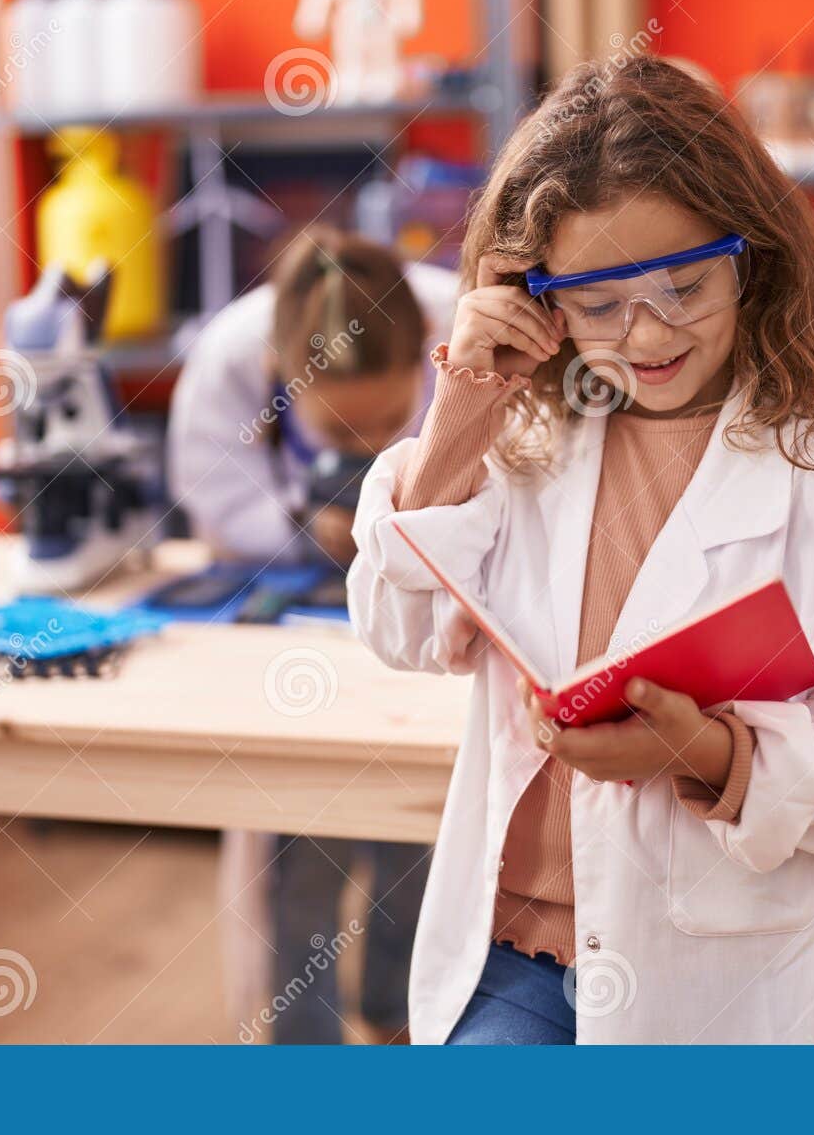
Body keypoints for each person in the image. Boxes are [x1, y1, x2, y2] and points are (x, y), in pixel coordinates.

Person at [345, 56, 814, 1044]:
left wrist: (711, 752)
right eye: (597, 304)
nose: (646, 332)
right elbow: (397, 629)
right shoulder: (521, 444)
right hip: (515, 950)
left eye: (685, 284)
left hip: (717, 980)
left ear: (751, 260)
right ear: (535, 297)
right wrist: (462, 411)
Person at [169, 227, 457, 1043]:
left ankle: (406, 1019)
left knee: (419, 832)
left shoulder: (466, 331)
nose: (365, 453)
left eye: (383, 425)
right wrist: (303, 529)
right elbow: (218, 507)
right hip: (294, 635)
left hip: (429, 640)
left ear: (428, 364)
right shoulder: (230, 358)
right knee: (302, 843)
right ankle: (307, 1049)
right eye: (339, 435)